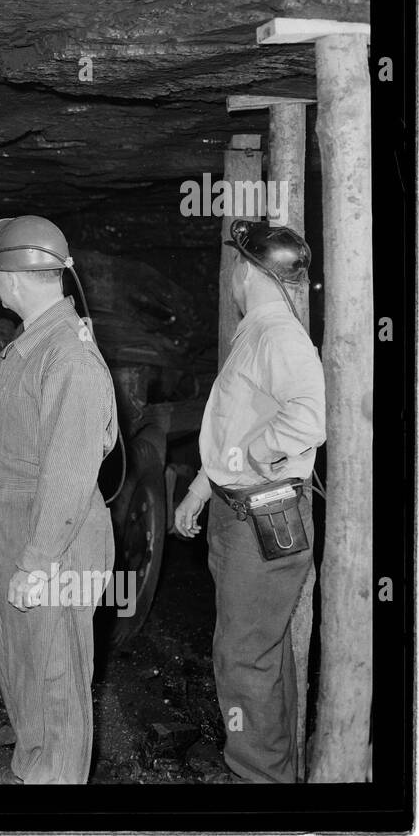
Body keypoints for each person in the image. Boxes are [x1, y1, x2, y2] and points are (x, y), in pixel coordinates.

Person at [173, 221, 324, 784]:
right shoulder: (257, 331)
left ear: (250, 272)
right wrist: (200, 486)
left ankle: (256, 784)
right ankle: (276, 771)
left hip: (260, 517)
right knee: (263, 650)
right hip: (243, 514)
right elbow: (237, 421)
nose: (232, 273)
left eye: (237, 263)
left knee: (243, 657)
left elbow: (307, 420)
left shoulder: (278, 336)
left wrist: (253, 456)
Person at [0, 216, 118, 784]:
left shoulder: (68, 357)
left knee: (57, 685)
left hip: (54, 548)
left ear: (18, 275)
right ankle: (31, 774)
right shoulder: (34, 344)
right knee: (25, 671)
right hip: (20, 537)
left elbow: (69, 472)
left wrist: (36, 562)